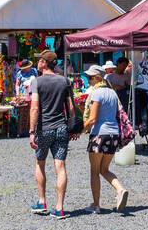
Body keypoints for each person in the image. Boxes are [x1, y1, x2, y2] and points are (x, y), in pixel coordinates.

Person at [28, 50, 75, 219]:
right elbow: (70, 107)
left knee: (40, 163)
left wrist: (32, 131)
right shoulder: (64, 81)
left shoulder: (37, 82)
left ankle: (42, 202)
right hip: (61, 127)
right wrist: (72, 127)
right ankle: (60, 207)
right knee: (60, 165)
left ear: (44, 63)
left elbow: (34, 108)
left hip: (43, 128)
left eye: (39, 60)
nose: (38, 63)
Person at [82, 65, 129, 215]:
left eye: (90, 78)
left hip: (99, 135)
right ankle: (120, 189)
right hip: (113, 134)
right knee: (104, 169)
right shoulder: (112, 93)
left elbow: (93, 118)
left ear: (97, 78)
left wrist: (78, 131)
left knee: (95, 171)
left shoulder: (97, 93)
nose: (88, 80)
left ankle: (96, 205)